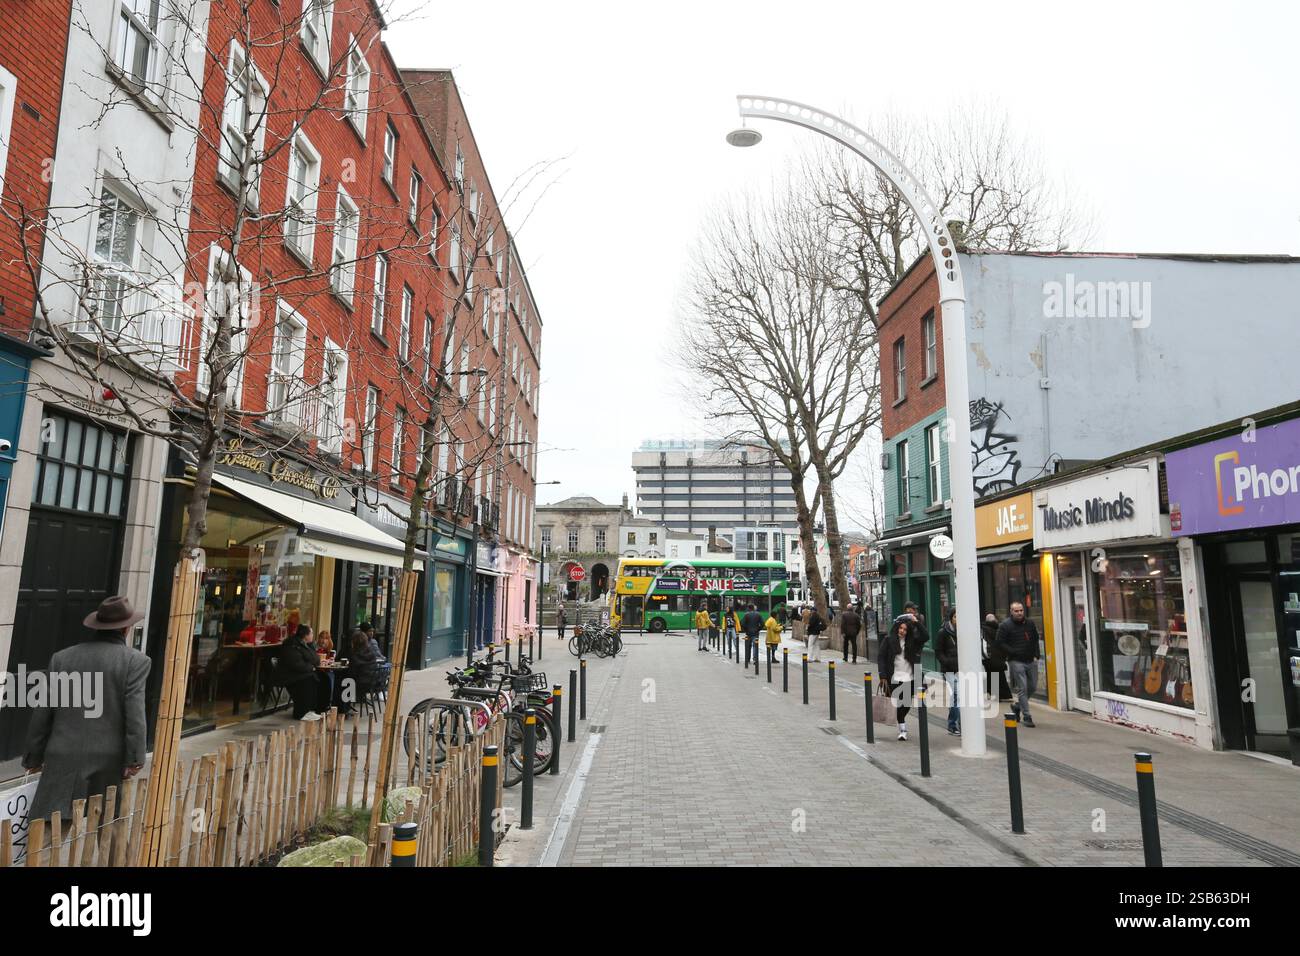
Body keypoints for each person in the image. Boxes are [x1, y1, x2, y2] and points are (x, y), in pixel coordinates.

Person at [22, 595, 152, 822]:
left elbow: (43, 712)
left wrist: (33, 758)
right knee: (109, 834)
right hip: (108, 762)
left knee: (49, 835)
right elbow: (135, 714)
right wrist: (134, 759)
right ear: (126, 628)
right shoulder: (135, 661)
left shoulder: (62, 659)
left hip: (62, 757)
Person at [877, 616, 925, 741]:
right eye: (900, 628)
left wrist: (916, 622)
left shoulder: (912, 642)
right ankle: (902, 729)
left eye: (905, 629)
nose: (902, 631)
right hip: (894, 678)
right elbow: (881, 657)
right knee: (898, 704)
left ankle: (900, 722)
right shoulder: (888, 640)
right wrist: (882, 675)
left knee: (907, 704)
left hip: (909, 677)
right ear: (897, 628)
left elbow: (925, 636)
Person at [996, 602, 1041, 726]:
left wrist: (1037, 654)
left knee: (1032, 687)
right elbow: (999, 642)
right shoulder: (1005, 625)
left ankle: (1017, 706)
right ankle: (1027, 716)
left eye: (1021, 610)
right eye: (1016, 611)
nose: (1019, 613)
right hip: (1016, 661)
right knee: (1023, 688)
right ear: (1011, 611)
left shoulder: (1030, 623)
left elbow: (1035, 639)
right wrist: (1013, 652)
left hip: (1031, 660)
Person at [277, 623, 321, 719]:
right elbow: (295, 663)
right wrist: (311, 667)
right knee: (309, 680)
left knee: (319, 678)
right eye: (311, 633)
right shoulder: (291, 644)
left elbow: (316, 660)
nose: (313, 635)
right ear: (306, 635)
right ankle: (302, 712)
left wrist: (312, 648)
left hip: (301, 673)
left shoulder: (307, 645)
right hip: (289, 675)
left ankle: (312, 709)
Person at [936, 607, 961, 736]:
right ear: (951, 618)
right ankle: (952, 724)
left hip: (963, 669)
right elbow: (938, 651)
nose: (958, 619)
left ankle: (961, 724)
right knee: (957, 695)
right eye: (956, 616)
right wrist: (947, 662)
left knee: (962, 697)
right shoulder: (943, 632)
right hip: (949, 670)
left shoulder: (965, 631)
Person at [982, 612, 1011, 702]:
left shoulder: (983, 630)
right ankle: (1002, 694)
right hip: (998, 656)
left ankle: (994, 694)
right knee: (999, 675)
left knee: (991, 674)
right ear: (995, 620)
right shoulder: (999, 629)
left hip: (988, 657)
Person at [740, 603, 764, 668]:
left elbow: (742, 623)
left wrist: (745, 630)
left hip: (748, 633)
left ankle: (747, 659)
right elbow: (762, 623)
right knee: (755, 646)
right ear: (753, 608)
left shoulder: (746, 615)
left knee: (748, 646)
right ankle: (755, 659)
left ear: (748, 608)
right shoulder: (758, 614)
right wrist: (758, 629)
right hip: (755, 633)